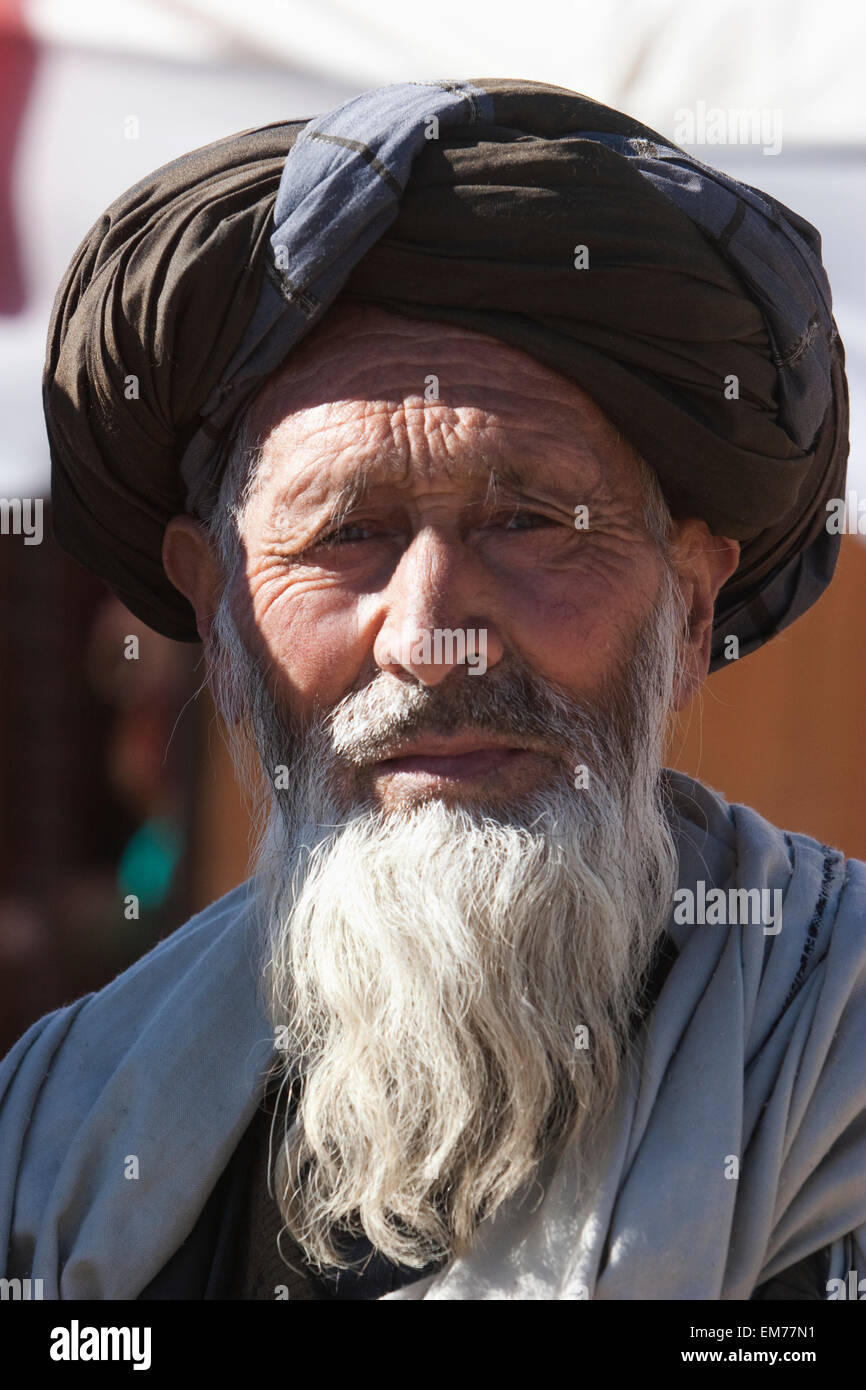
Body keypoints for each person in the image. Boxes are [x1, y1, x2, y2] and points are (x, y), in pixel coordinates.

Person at [1, 78, 862, 1301]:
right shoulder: (54, 1131)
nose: (430, 638)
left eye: (528, 521)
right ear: (217, 610)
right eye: (345, 533)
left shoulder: (829, 1058)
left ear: (685, 607)